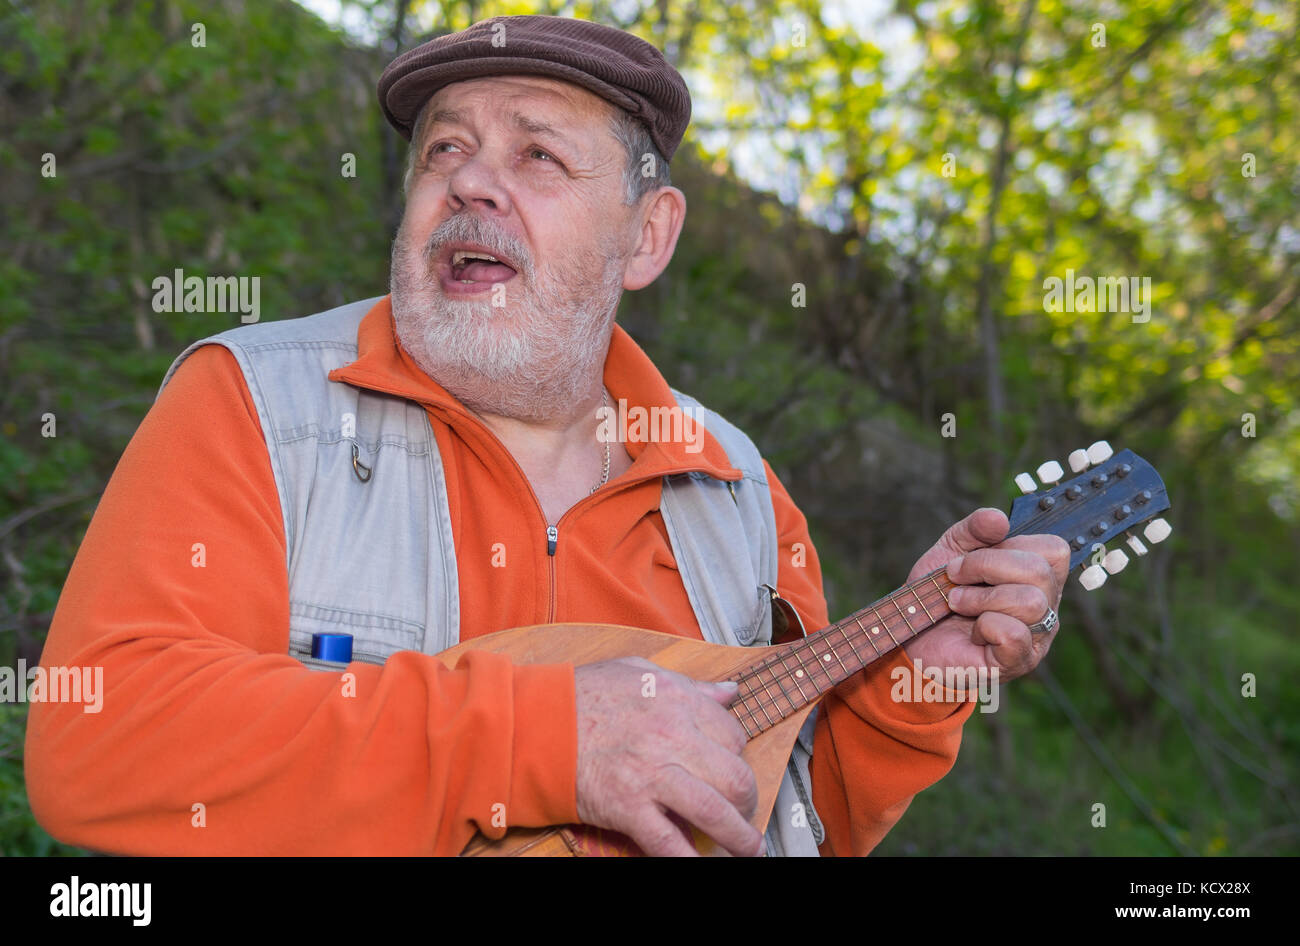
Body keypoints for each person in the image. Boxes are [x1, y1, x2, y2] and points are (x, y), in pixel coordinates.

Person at [25, 14, 1068, 857]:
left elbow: (798, 819)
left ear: (644, 236)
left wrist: (906, 686)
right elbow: (103, 746)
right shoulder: (253, 405)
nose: (471, 182)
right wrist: (546, 737)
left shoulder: (738, 489)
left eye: (536, 154)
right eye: (446, 149)